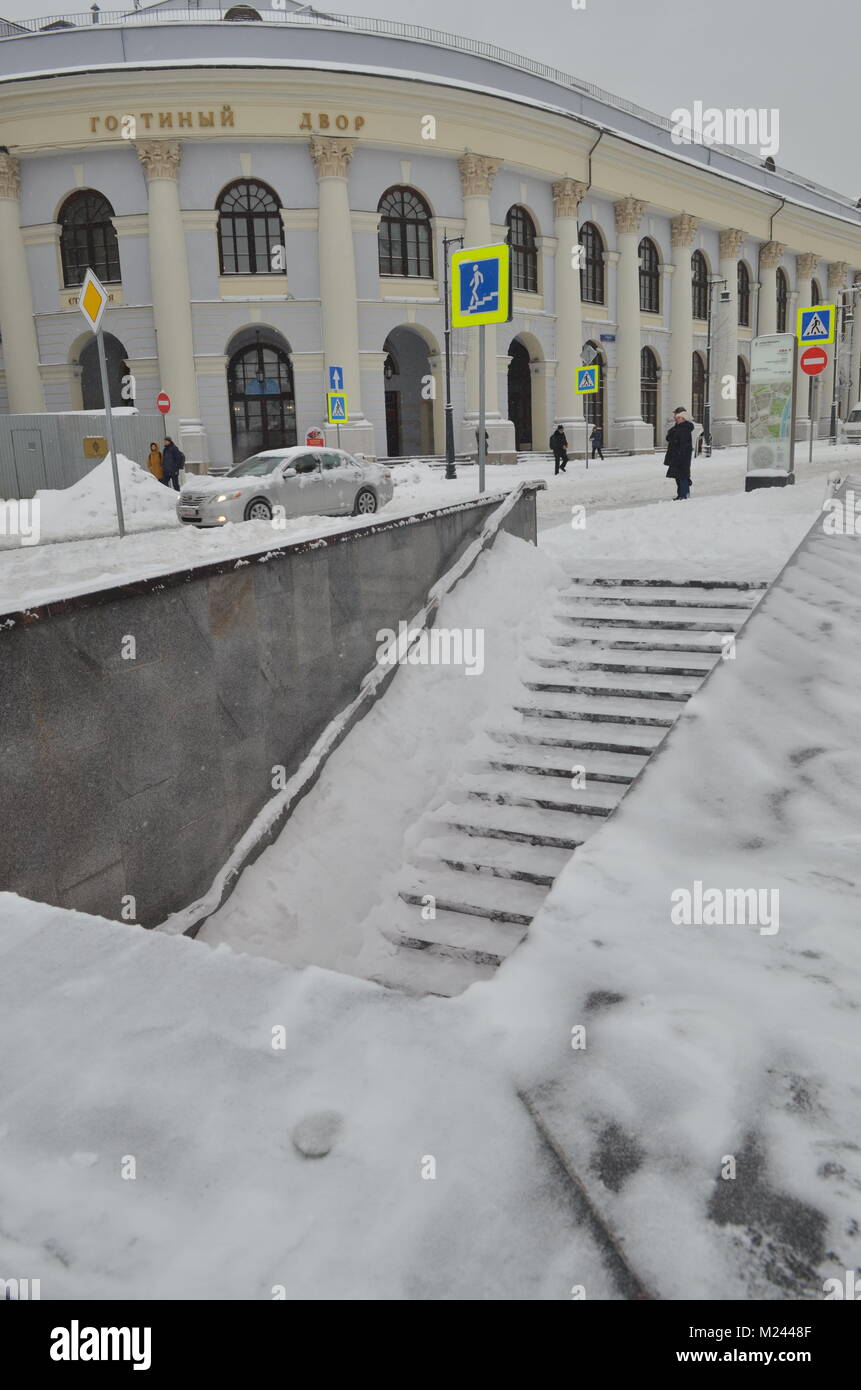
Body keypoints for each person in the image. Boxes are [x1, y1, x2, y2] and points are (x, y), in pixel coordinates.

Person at [664, 406, 695, 500]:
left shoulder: (684, 428)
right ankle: (682, 494)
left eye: (677, 417)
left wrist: (679, 455)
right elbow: (669, 438)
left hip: (681, 457)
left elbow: (683, 445)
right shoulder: (678, 427)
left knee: (682, 476)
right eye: (675, 417)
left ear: (683, 418)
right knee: (679, 476)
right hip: (677, 456)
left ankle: (684, 494)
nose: (675, 419)